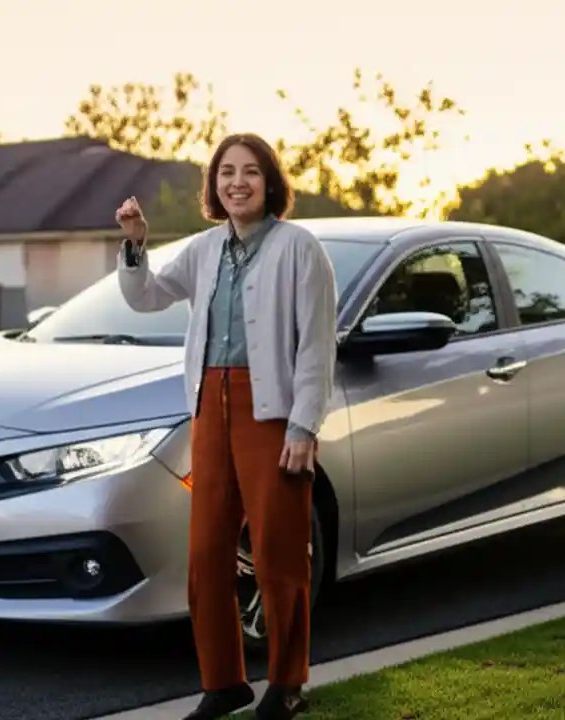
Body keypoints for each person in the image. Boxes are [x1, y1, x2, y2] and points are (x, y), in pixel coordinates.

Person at [114, 132, 338, 720]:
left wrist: (303, 427)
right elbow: (149, 296)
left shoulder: (299, 248)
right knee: (207, 553)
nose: (236, 182)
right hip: (209, 408)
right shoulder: (206, 248)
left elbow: (316, 347)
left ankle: (287, 683)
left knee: (279, 553)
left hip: (272, 413)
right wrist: (137, 246)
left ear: (270, 183)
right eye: (225, 173)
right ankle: (223, 683)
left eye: (250, 172)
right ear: (214, 186)